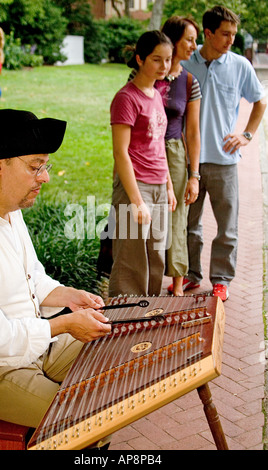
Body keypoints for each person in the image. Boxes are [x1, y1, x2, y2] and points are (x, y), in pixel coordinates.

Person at [0, 109, 111, 433]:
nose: (45, 177)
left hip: (32, 344)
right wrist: (61, 324)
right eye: (36, 166)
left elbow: (32, 275)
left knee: (111, 356)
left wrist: (68, 295)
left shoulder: (8, 208)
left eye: (45, 166)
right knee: (86, 418)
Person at [182, 6, 267, 301]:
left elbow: (260, 101)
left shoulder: (240, 65)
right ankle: (190, 275)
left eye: (234, 33)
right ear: (208, 33)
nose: (232, 39)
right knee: (188, 224)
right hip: (187, 162)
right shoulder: (184, 64)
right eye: (225, 34)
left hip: (224, 161)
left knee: (227, 226)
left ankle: (221, 279)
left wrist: (246, 135)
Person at [108, 30, 176, 298]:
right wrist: (137, 201)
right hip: (135, 186)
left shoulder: (157, 95)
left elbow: (159, 145)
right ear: (139, 59)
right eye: (156, 60)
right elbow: (120, 153)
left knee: (156, 256)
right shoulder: (126, 98)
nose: (163, 66)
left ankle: (147, 313)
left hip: (159, 184)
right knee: (130, 260)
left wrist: (169, 186)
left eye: (168, 60)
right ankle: (123, 319)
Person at [157, 16, 201, 296]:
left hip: (174, 152)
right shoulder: (147, 73)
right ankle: (146, 279)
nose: (194, 46)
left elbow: (193, 131)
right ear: (173, 40)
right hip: (144, 151)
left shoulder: (189, 81)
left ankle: (176, 286)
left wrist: (194, 175)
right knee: (144, 214)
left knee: (176, 217)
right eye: (189, 39)